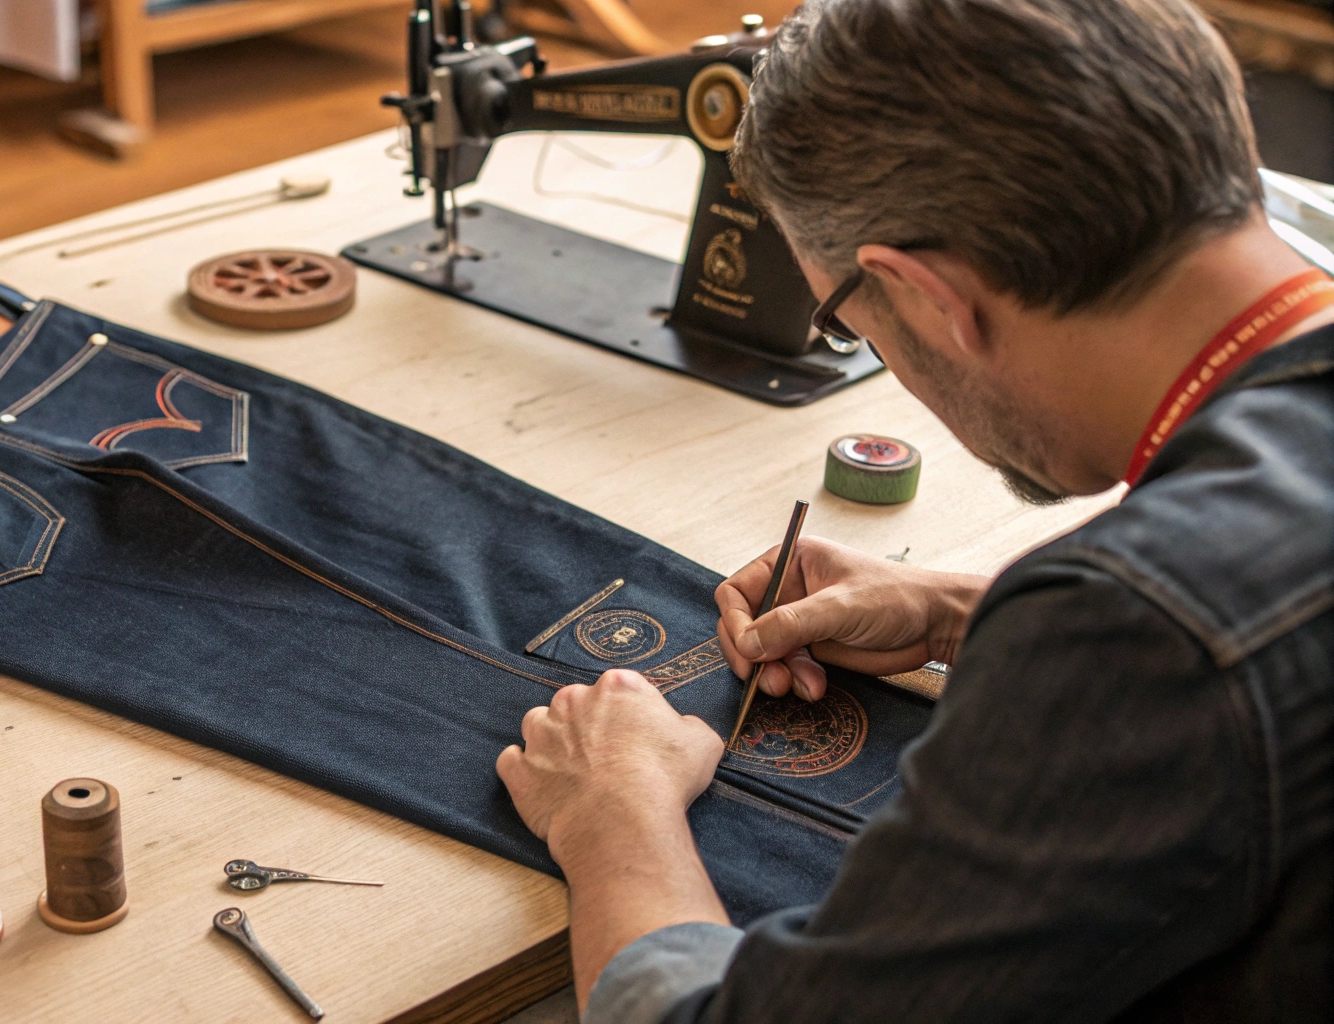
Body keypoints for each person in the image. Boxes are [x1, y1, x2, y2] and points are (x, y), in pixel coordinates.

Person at [492, 0, 1334, 1020]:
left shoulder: (1140, 629)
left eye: (846, 323)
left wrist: (611, 816)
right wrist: (970, 612)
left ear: (928, 297)